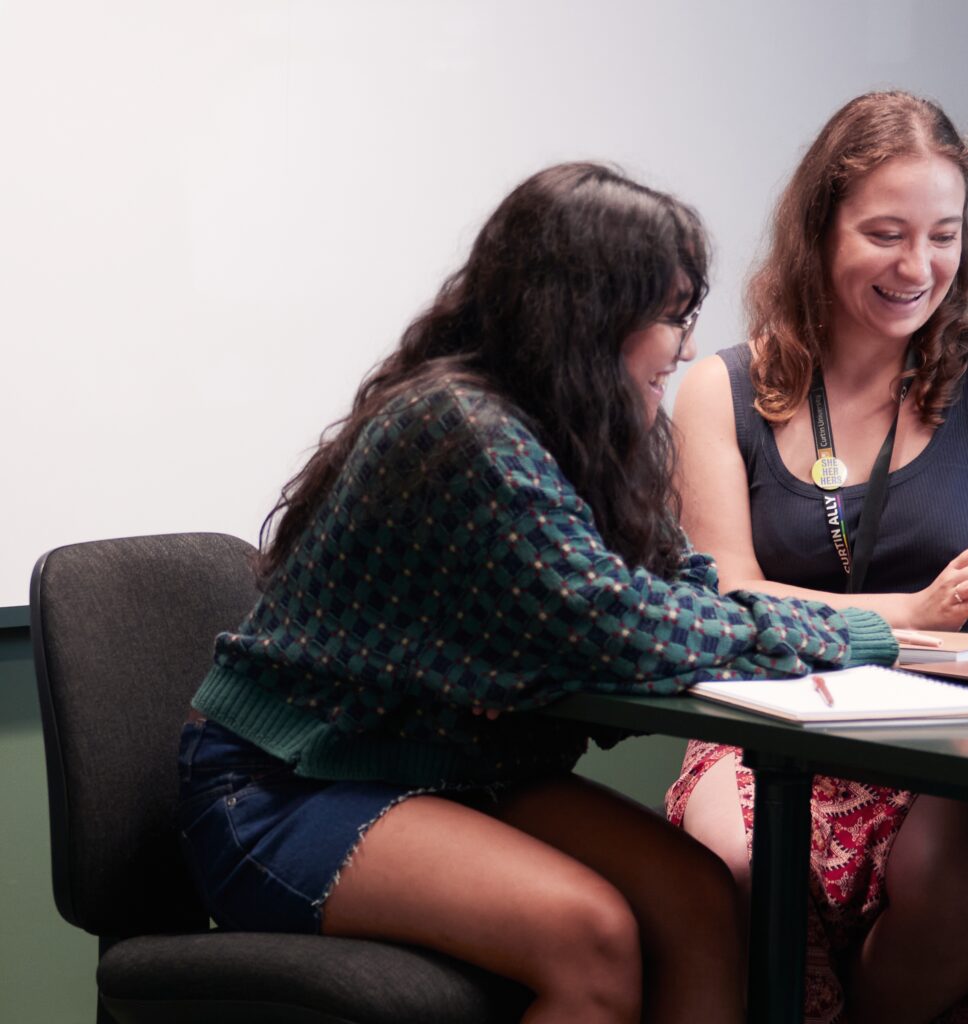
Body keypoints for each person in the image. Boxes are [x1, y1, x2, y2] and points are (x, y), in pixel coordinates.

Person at [174, 162, 901, 1024]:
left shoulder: (598, 428)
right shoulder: (460, 428)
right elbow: (629, 628)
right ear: (588, 314)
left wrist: (754, 627)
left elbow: (685, 594)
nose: (684, 347)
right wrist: (847, 632)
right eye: (667, 317)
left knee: (704, 905)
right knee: (590, 935)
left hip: (446, 765)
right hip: (286, 787)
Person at [665, 92, 968, 1023]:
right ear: (819, 231)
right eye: (887, 233)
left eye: (944, 236)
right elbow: (726, 595)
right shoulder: (721, 390)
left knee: (957, 868)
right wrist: (913, 612)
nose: (919, 267)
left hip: (953, 723)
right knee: (743, 864)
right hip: (768, 717)